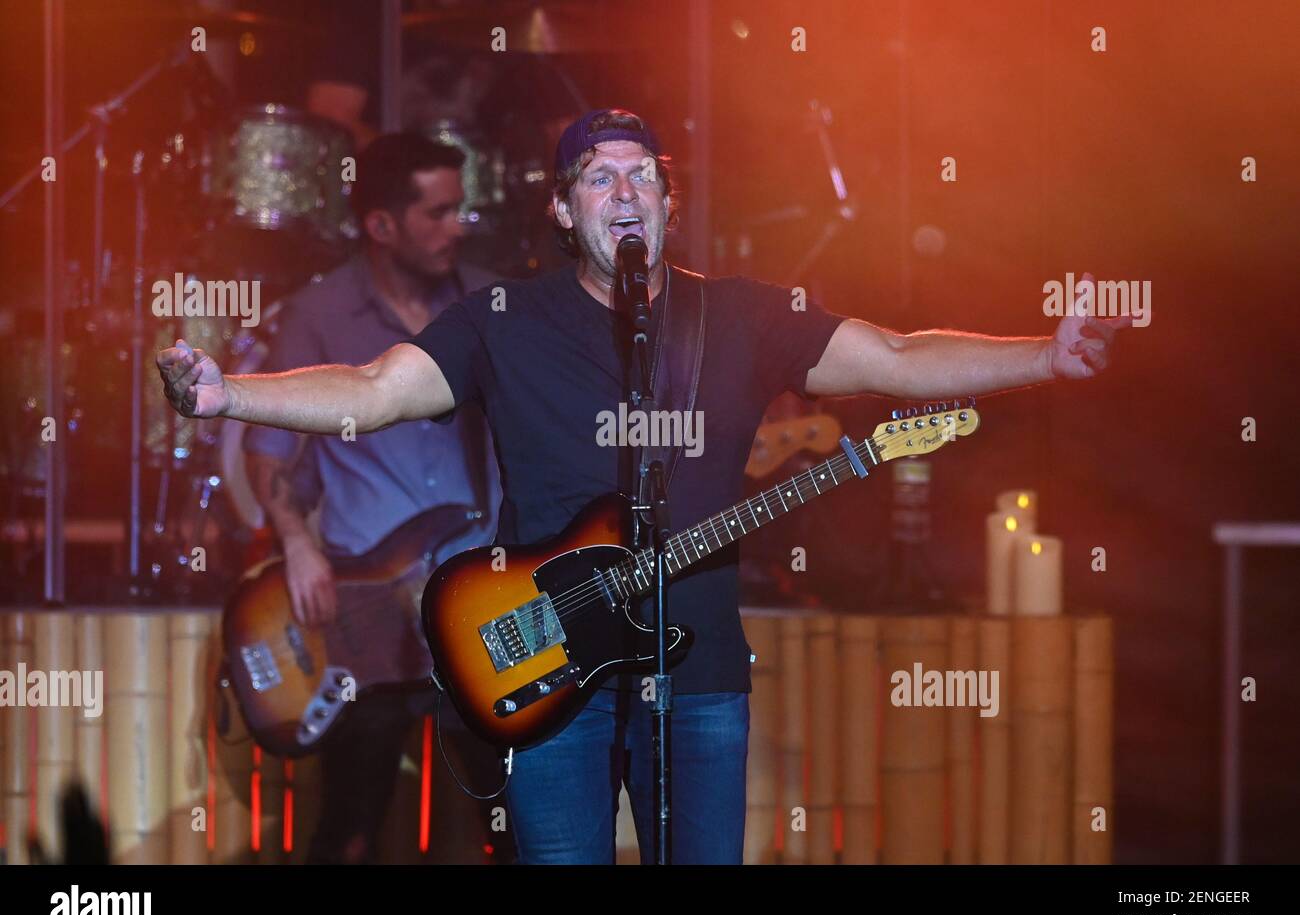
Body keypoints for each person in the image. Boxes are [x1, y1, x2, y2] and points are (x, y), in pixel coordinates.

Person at [159, 108, 1128, 865]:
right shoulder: (503, 317)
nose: (623, 192)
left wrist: (1047, 354)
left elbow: (900, 357)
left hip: (699, 676)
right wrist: (224, 393)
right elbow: (371, 393)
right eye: (597, 175)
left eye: (642, 175)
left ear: (668, 198)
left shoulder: (743, 316)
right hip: (548, 672)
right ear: (561, 206)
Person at [241, 132, 504, 864]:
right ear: (381, 225)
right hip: (362, 613)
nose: (459, 226)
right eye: (439, 211)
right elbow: (267, 456)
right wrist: (295, 539)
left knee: (514, 830)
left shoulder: (491, 304)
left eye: (462, 209)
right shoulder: (319, 314)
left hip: (478, 606)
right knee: (348, 833)